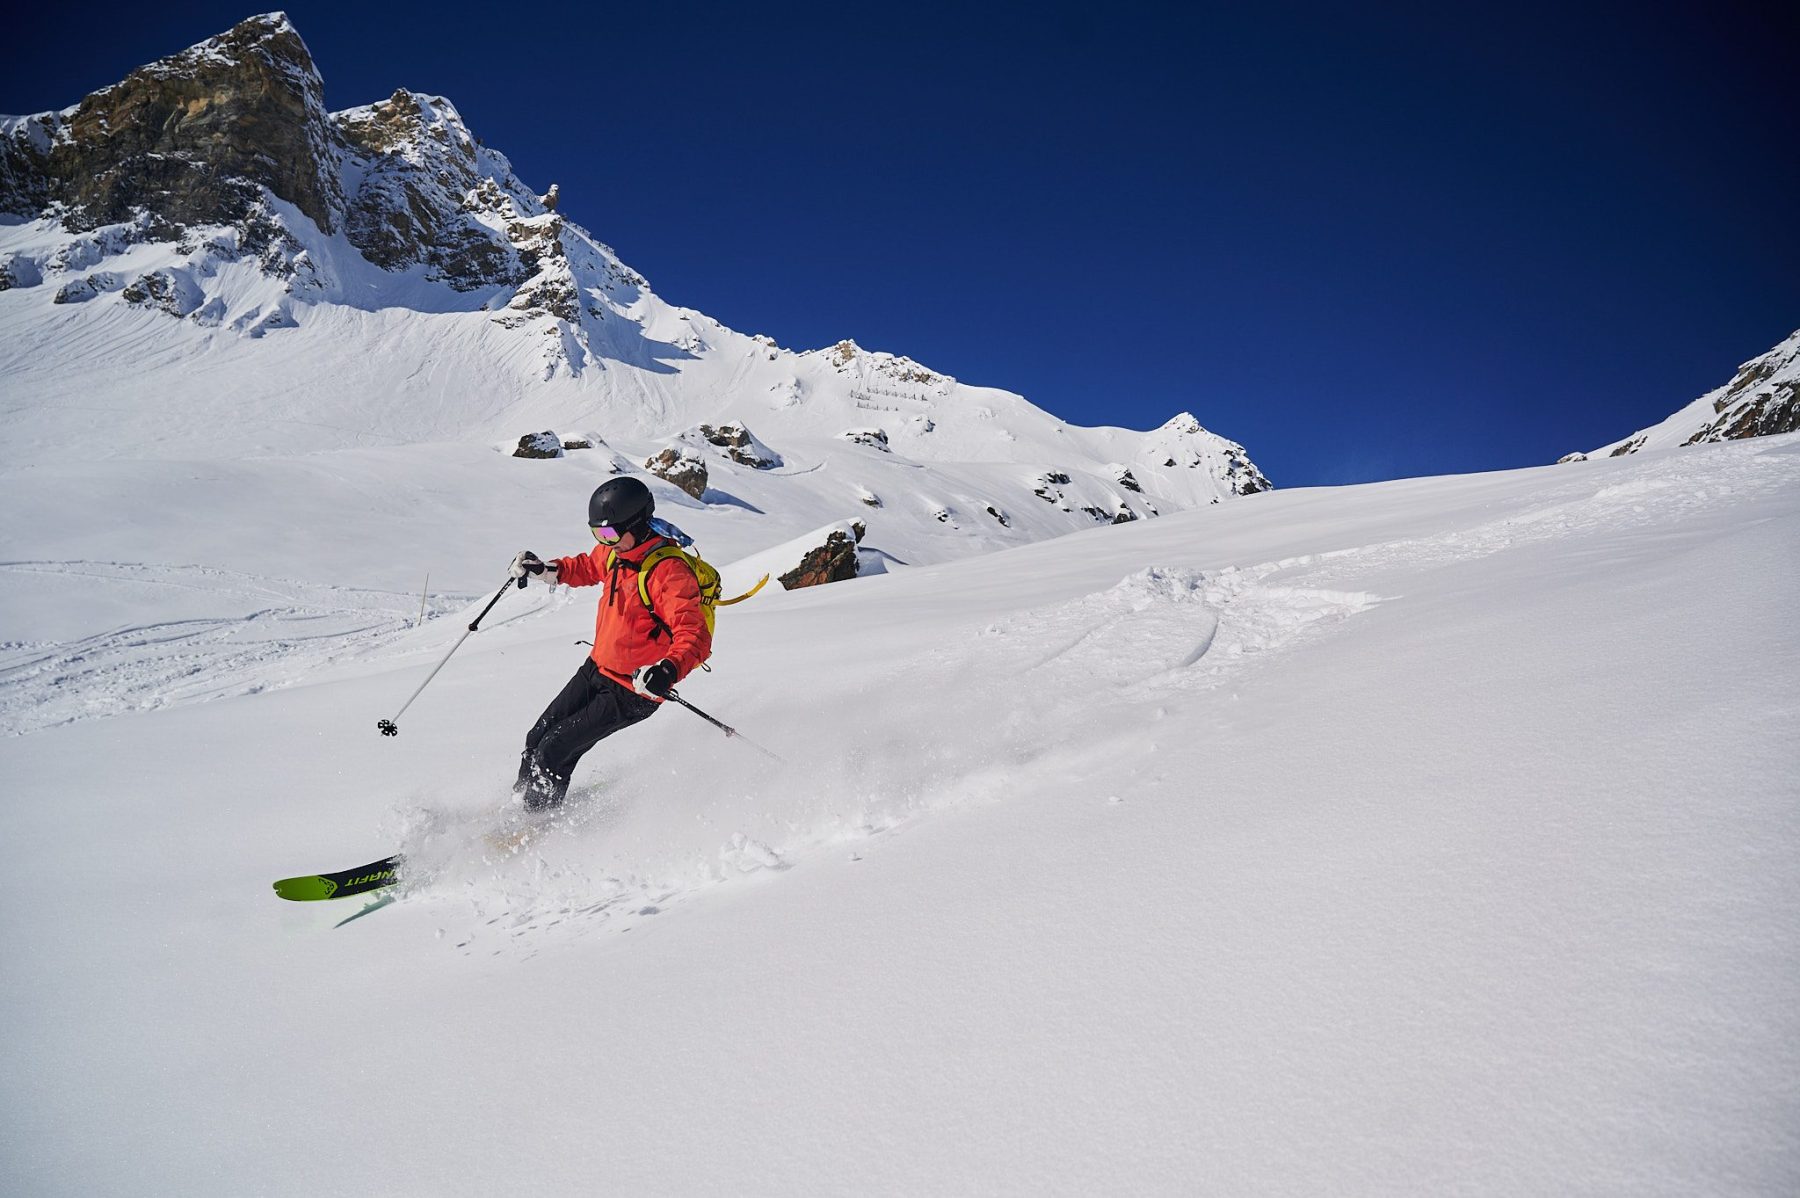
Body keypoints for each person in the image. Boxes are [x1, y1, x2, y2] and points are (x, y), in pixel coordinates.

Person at [508, 476, 711, 810]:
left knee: (554, 750)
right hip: (597, 669)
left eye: (611, 534)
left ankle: (534, 821)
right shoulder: (616, 553)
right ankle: (520, 803)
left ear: (638, 524)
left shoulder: (669, 573)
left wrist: (667, 670)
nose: (606, 542)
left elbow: (694, 635)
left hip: (633, 690)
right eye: (599, 535)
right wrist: (546, 570)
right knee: (536, 739)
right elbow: (587, 566)